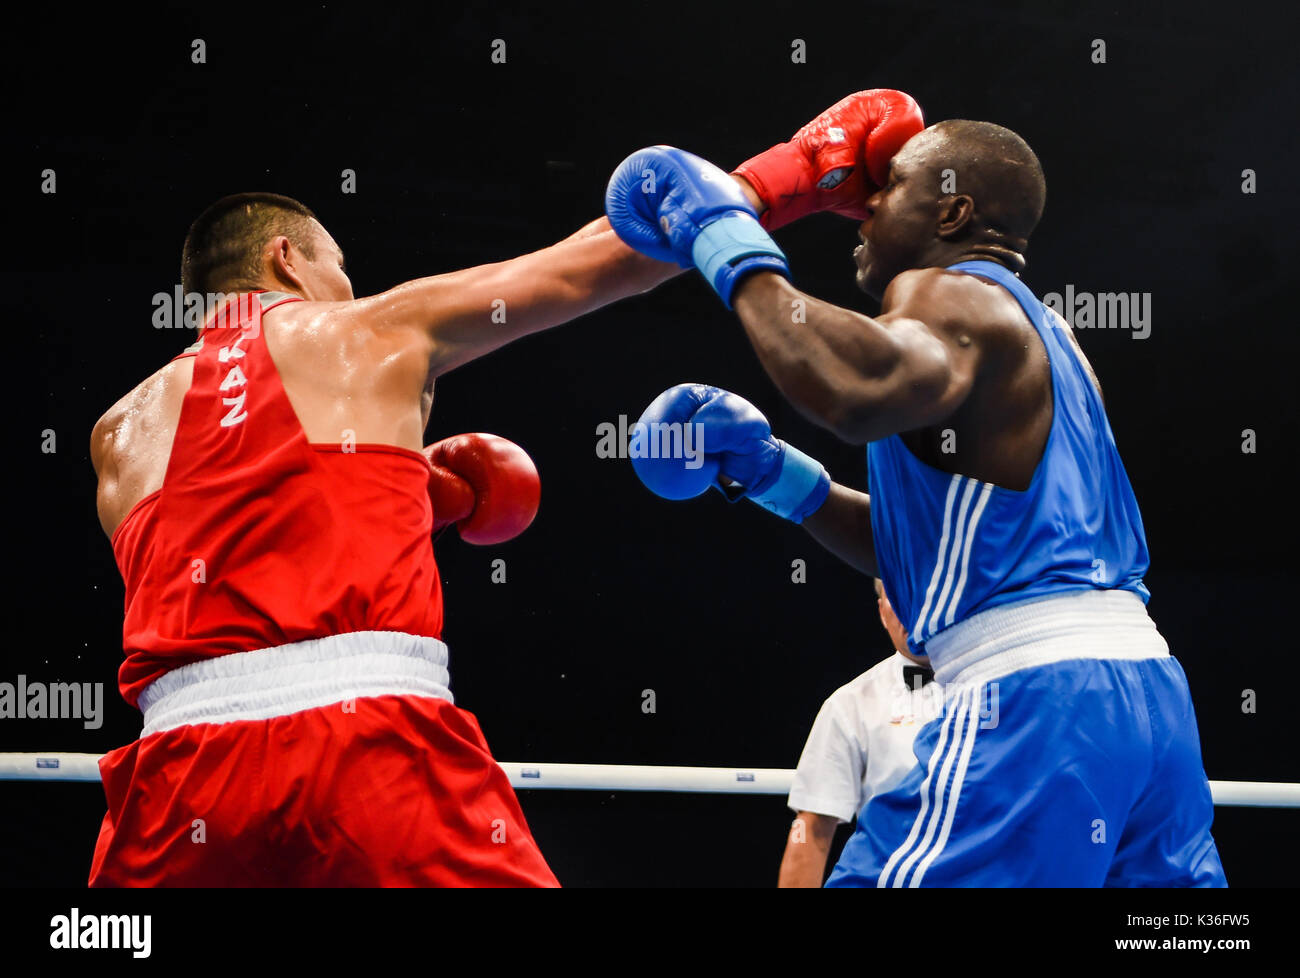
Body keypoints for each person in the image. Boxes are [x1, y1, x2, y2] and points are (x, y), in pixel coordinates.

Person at [612, 111, 1226, 885]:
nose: (866, 204)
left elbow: (854, 391)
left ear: (954, 212)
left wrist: (720, 234)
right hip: (1148, 699)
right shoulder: (1051, 337)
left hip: (1035, 701)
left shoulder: (951, 294)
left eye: (892, 185)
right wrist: (771, 473)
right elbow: (928, 553)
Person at [87, 191, 682, 886]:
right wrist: (763, 185)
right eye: (338, 265)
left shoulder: (117, 432)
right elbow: (590, 267)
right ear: (287, 259)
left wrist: (397, 496)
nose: (348, 286)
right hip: (368, 748)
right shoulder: (369, 329)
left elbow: (214, 556)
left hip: (177, 780)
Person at [779, 578, 936, 888]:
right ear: (882, 612)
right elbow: (811, 830)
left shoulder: (999, 690)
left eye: (917, 589)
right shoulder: (851, 705)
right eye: (896, 595)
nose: (909, 607)